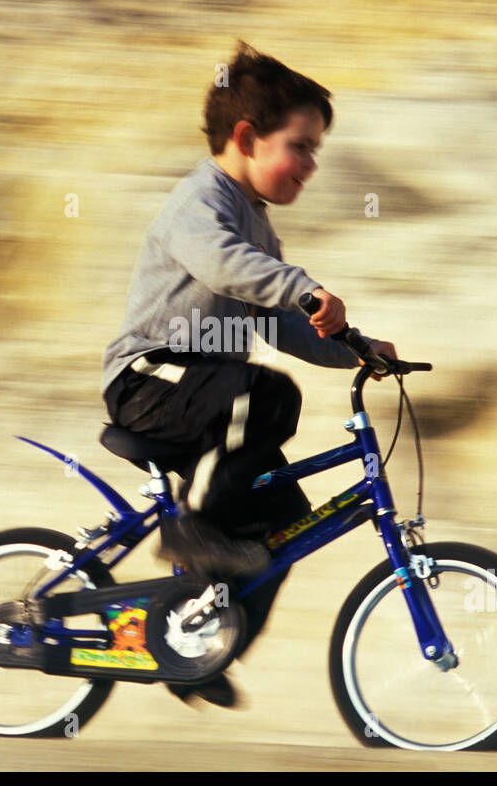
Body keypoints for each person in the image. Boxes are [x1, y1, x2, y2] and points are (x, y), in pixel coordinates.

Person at [99, 41, 396, 706]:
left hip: (202, 395)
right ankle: (193, 526)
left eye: (317, 151)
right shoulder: (199, 204)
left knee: (284, 522)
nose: (311, 165)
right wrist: (304, 288)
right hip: (149, 378)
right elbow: (227, 266)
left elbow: (284, 324)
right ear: (245, 137)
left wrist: (359, 347)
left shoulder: (255, 224)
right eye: (301, 146)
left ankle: (195, 649)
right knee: (263, 391)